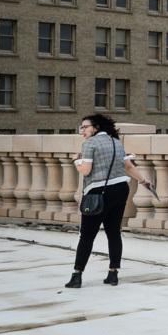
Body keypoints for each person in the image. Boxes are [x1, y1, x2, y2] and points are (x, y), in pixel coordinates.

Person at [65, 114, 154, 288]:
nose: (82, 130)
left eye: (85, 127)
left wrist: (76, 160)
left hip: (98, 192)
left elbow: (86, 170)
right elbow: (128, 166)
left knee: (87, 235)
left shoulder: (90, 143)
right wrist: (143, 181)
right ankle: (113, 274)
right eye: (82, 127)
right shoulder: (116, 142)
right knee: (113, 232)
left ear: (96, 127)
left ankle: (77, 276)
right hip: (120, 189)